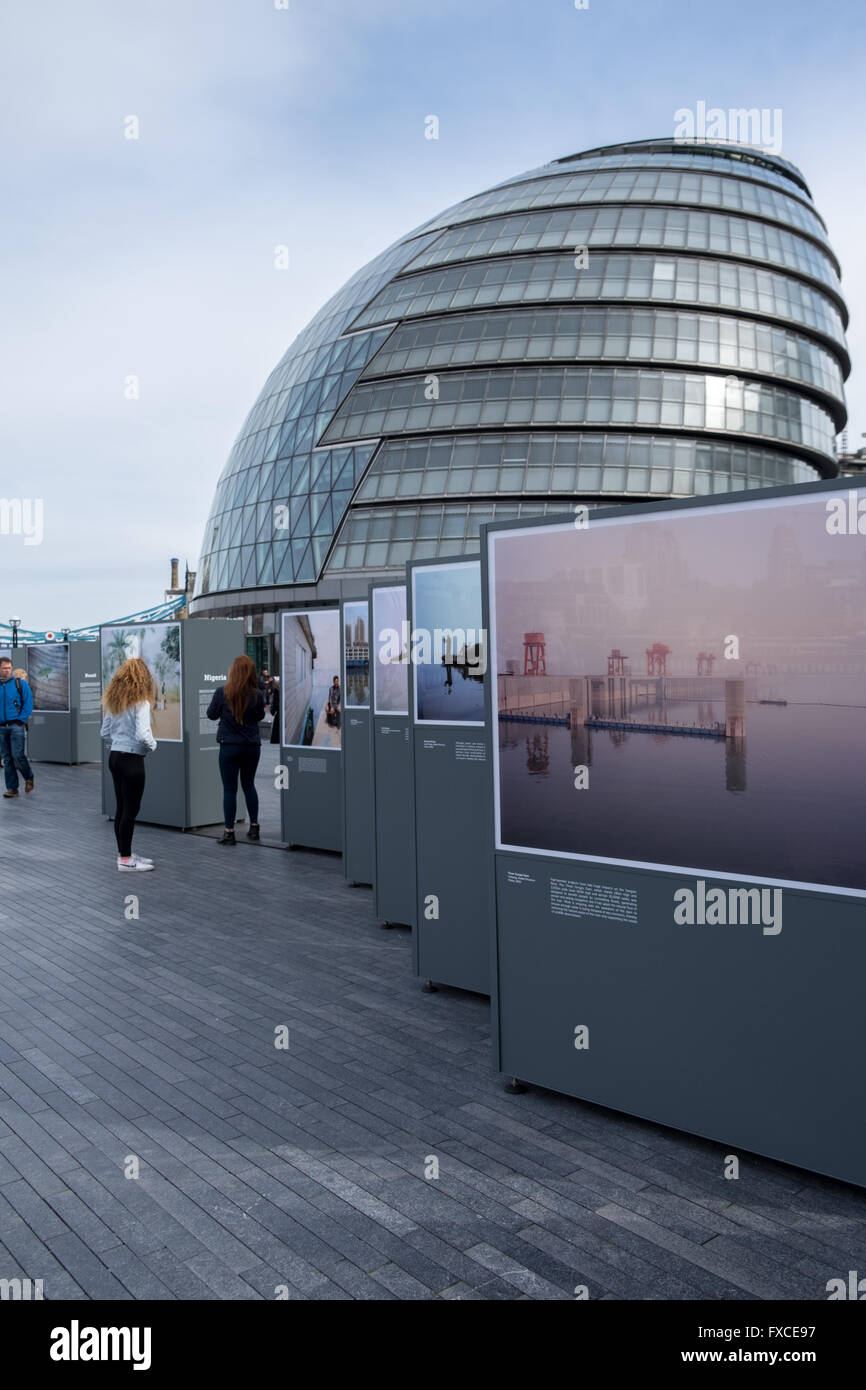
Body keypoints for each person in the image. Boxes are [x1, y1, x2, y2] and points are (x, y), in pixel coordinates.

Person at [100, 656, 157, 870]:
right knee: (131, 809)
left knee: (122, 808)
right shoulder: (141, 702)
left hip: (115, 756)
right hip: (132, 759)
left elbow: (104, 732)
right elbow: (143, 734)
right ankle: (125, 860)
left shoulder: (113, 702)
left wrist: (120, 738)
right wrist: (152, 745)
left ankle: (124, 853)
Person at [207, 654, 265, 845]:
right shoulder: (257, 694)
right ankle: (254, 828)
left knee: (229, 789)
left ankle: (229, 832)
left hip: (229, 747)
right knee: (249, 785)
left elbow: (211, 715)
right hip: (251, 746)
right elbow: (259, 716)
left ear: (234, 671)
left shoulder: (222, 692)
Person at [0, 656, 35, 798]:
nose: (7, 671)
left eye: (9, 668)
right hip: (1, 727)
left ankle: (29, 777)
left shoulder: (20, 684)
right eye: (4, 668)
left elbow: (28, 703)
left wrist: (21, 720)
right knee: (7, 759)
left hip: (16, 725)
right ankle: (12, 788)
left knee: (18, 755)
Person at [269, 677, 280, 745]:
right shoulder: (277, 691)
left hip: (278, 713)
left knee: (276, 728)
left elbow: (275, 703)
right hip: (279, 712)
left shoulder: (276, 691)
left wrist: (273, 711)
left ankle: (276, 740)